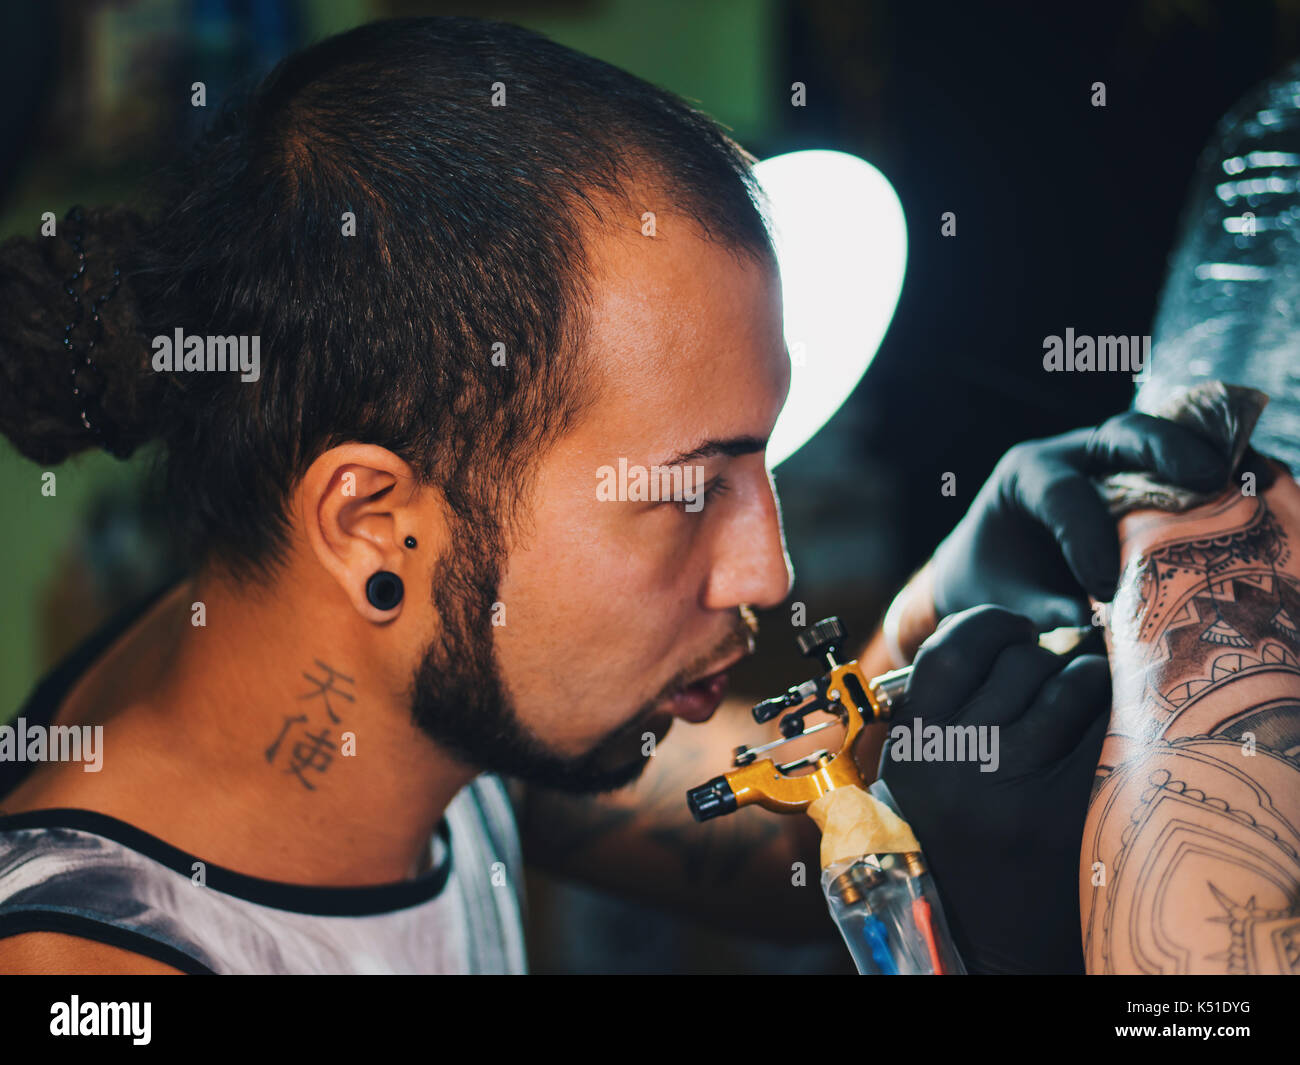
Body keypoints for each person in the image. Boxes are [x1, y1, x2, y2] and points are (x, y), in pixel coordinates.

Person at [0, 16, 1231, 974]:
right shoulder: (94, 964)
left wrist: (937, 607)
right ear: (371, 519)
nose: (768, 573)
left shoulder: (421, 681)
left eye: (765, 455)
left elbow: (765, 827)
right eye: (688, 490)